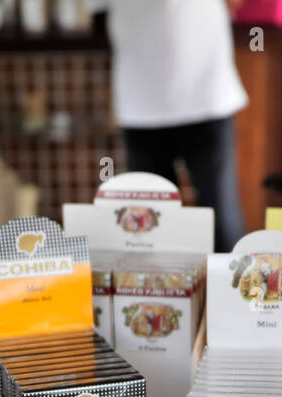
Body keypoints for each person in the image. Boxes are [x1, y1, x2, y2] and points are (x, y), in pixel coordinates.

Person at [102, 0, 248, 251]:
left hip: (205, 95)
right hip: (141, 103)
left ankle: (227, 289)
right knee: (151, 227)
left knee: (220, 219)